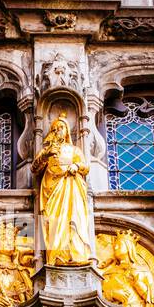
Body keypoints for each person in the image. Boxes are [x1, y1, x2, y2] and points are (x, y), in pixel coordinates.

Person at [33, 112, 95, 266]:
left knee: (73, 219)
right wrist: (46, 155)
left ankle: (75, 254)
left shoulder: (74, 150)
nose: (58, 131)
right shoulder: (47, 150)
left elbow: (85, 167)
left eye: (61, 128)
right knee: (54, 221)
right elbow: (35, 168)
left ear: (67, 130)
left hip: (70, 186)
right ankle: (56, 255)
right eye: (54, 129)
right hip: (51, 190)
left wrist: (75, 165)